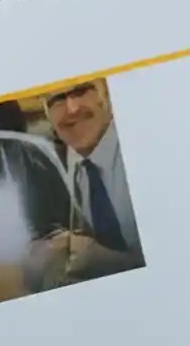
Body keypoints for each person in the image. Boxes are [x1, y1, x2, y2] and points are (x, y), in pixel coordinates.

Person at [43, 80, 143, 260]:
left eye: (81, 91)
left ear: (107, 93)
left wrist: (106, 260)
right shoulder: (70, 165)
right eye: (57, 99)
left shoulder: (141, 145)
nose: (72, 109)